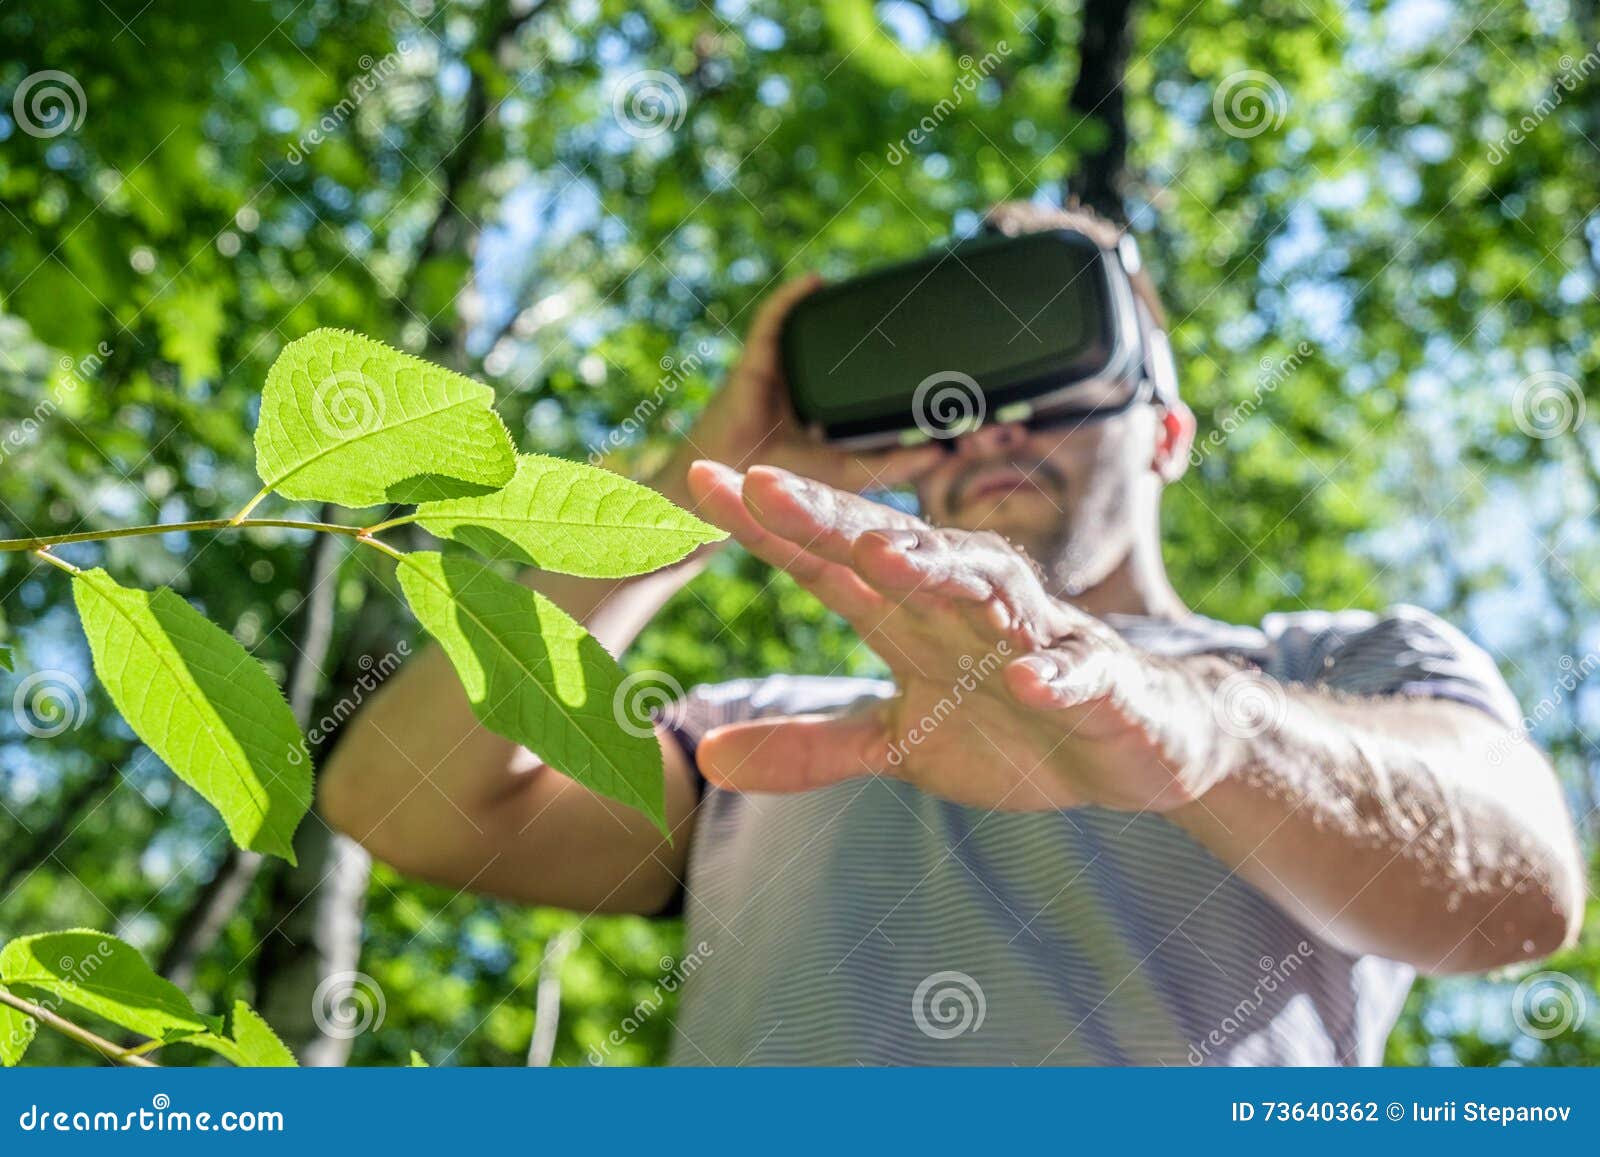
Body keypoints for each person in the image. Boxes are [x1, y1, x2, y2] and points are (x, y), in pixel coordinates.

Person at [320, 201, 1585, 1066]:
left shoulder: (1329, 669)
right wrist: (696, 489)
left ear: (1166, 430)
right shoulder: (770, 737)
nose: (993, 423)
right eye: (957, 392)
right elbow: (402, 803)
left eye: (1051, 371)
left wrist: (1195, 730)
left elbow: (1523, 890)